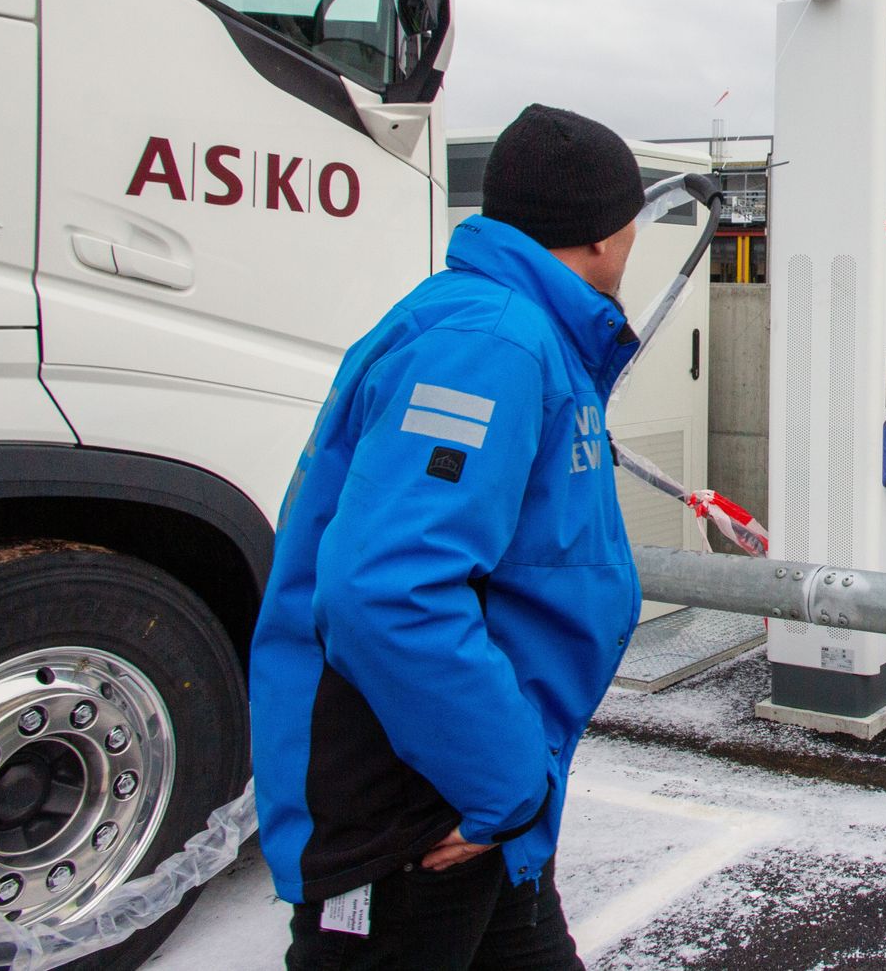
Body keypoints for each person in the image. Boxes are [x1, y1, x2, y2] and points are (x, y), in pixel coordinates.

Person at [251, 104, 654, 970]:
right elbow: (386, 589)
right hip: (421, 812)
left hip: (478, 800)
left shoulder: (511, 329)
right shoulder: (489, 343)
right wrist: (502, 785)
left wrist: (510, 795)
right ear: (602, 236)